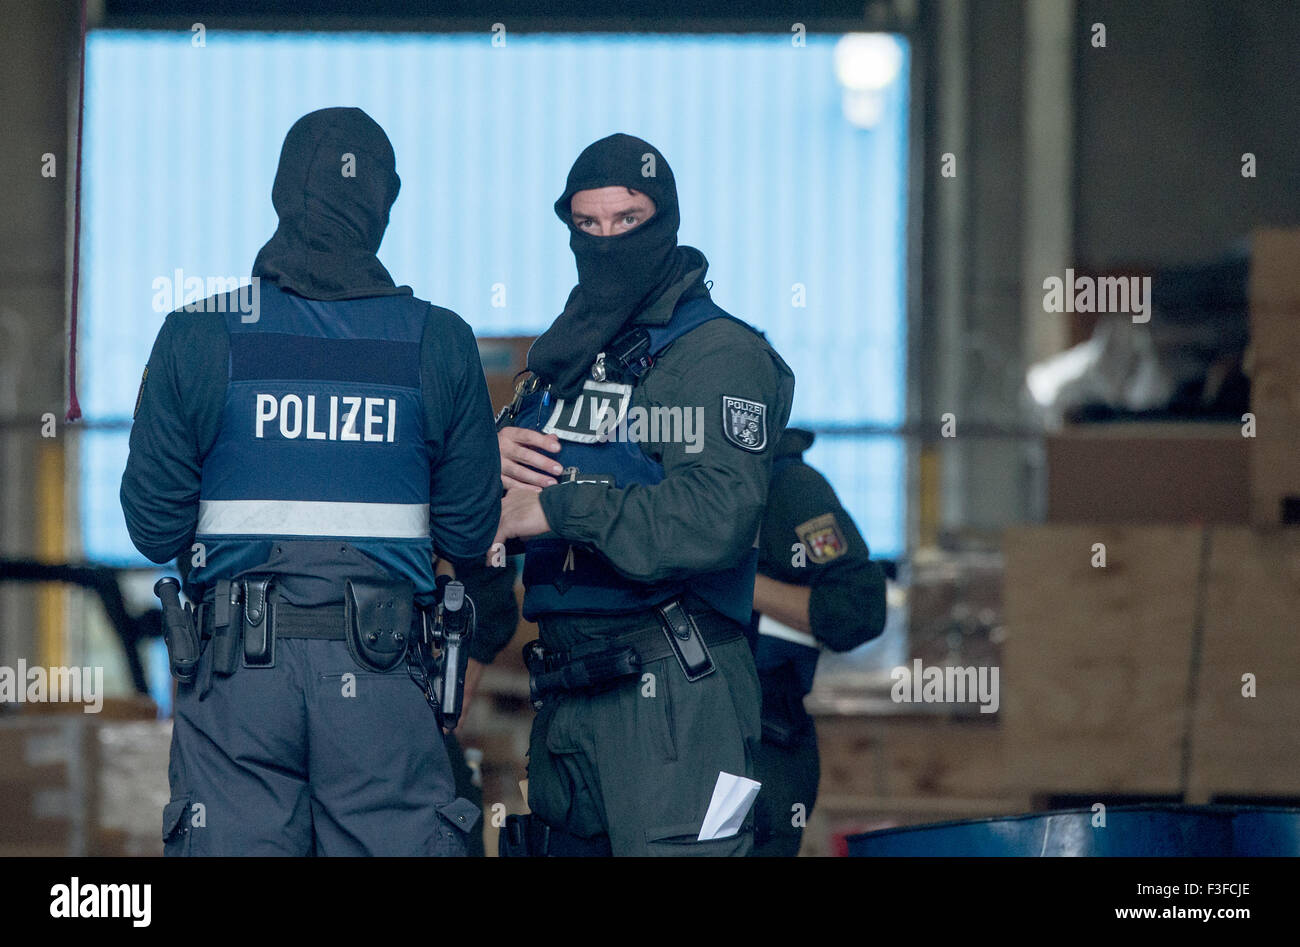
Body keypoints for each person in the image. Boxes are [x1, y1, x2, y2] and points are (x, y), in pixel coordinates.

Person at [121, 107, 501, 856]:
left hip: (236, 684)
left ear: (280, 192)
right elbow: (467, 532)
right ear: (383, 206)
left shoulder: (199, 333)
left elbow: (154, 528)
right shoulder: (440, 340)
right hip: (386, 682)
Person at [491, 133, 795, 856]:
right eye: (586, 225)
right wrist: (484, 462)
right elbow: (502, 504)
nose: (604, 241)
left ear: (665, 221)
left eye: (626, 221)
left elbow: (716, 514)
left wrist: (561, 507)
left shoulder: (716, 355)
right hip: (569, 683)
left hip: (672, 688)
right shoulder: (562, 361)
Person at [749, 427, 888, 856]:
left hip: (763, 740)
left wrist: (736, 584)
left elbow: (857, 608)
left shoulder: (786, 486)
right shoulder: (669, 479)